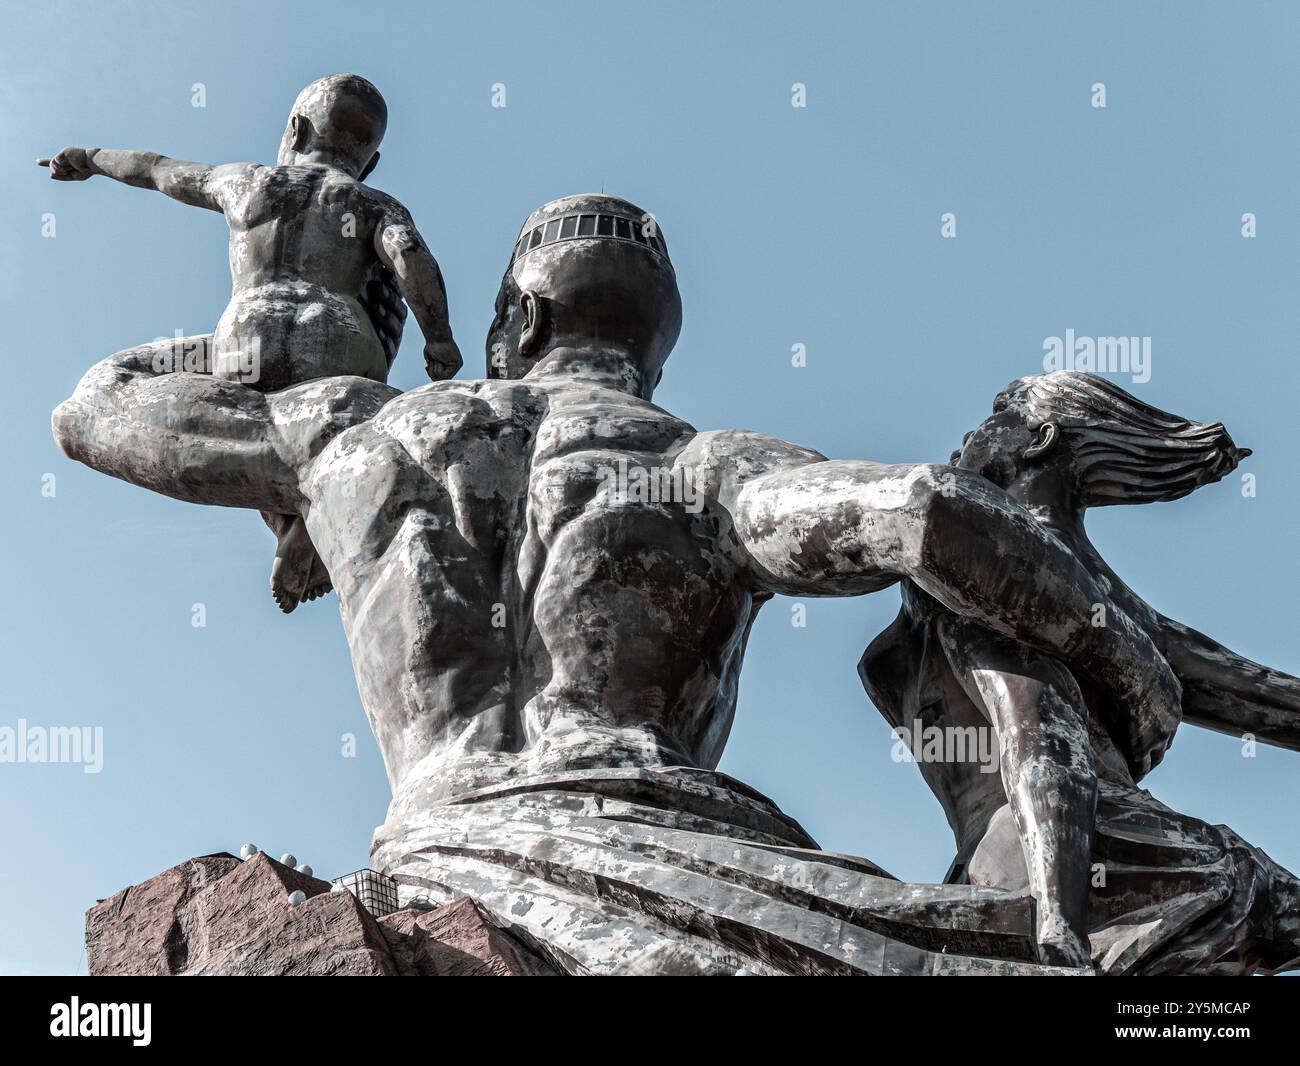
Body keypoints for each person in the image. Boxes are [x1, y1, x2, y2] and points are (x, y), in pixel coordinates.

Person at [52, 194, 1187, 972]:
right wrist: (1127, 658)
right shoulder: (703, 464)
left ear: (517, 320)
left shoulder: (351, 432)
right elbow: (925, 513)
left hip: (443, 841)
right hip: (696, 868)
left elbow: (95, 407)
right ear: (652, 347)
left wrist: (276, 325)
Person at [860, 372, 1300, 971]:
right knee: (1265, 903)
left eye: (997, 413)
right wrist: (1058, 921)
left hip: (1084, 857)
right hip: (1066, 859)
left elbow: (1232, 684)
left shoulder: (1062, 579)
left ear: (1038, 439)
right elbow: (1034, 726)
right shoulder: (983, 556)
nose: (972, 430)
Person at [39, 73, 461, 611]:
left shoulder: (244, 181)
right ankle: (299, 512)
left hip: (240, 349)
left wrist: (90, 156)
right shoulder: (371, 201)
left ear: (296, 129)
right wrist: (439, 341)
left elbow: (156, 169)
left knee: (102, 387)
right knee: (301, 421)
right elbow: (410, 259)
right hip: (341, 349)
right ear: (369, 162)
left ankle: (289, 505)